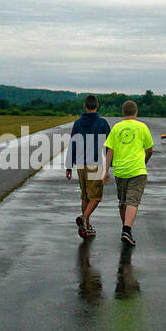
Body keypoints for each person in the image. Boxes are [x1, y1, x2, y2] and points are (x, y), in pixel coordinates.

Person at [101, 100, 154, 246]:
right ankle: (127, 229)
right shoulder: (142, 127)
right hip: (137, 170)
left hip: (120, 171)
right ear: (136, 112)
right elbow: (150, 149)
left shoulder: (117, 128)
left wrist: (105, 171)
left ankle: (125, 229)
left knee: (123, 201)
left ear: (123, 112)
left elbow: (109, 151)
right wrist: (144, 161)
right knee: (133, 201)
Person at [65, 95, 112, 238]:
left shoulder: (78, 123)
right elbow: (109, 146)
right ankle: (84, 219)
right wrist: (110, 166)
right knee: (96, 196)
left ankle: (87, 227)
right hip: (95, 163)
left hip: (80, 163)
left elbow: (72, 144)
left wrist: (68, 166)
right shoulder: (102, 123)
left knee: (85, 196)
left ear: (85, 106)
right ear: (97, 105)